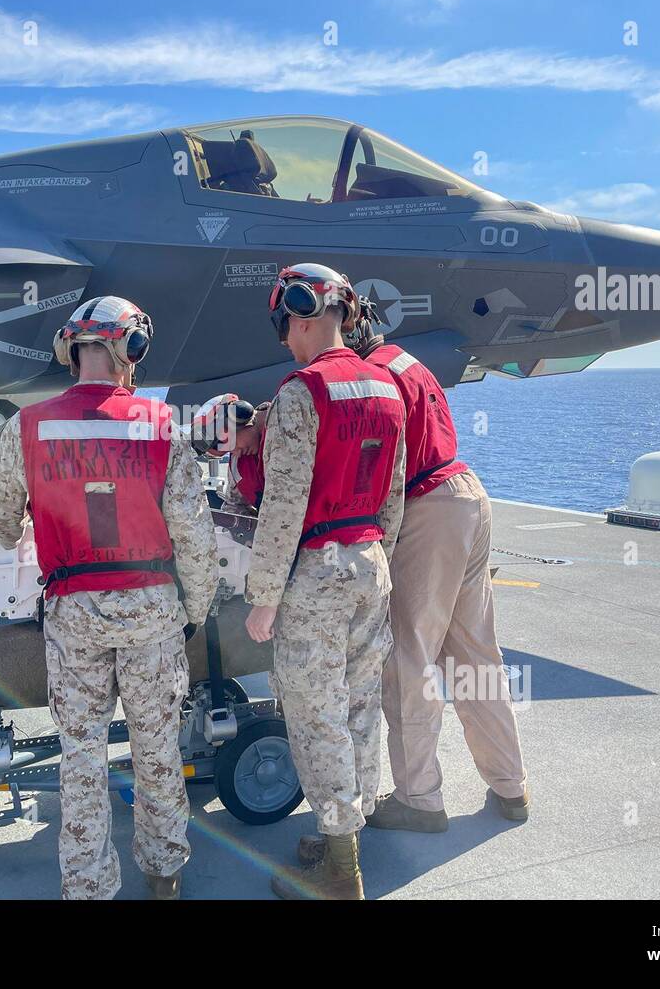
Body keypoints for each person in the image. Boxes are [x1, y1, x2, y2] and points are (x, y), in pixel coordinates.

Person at [0, 296, 217, 900]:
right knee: (157, 747)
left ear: (71, 349)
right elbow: (194, 536)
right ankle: (164, 875)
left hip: (73, 611)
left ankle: (87, 887)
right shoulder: (162, 426)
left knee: (80, 754)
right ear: (129, 350)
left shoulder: (25, 427)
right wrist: (192, 612)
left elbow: (0, 520)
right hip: (151, 607)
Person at [244, 264, 406, 900]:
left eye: (286, 325)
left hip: (316, 570)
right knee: (362, 706)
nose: (285, 339)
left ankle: (341, 872)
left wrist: (263, 598)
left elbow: (283, 505)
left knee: (316, 718)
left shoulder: (300, 393)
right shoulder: (387, 387)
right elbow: (392, 494)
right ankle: (348, 832)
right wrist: (378, 560)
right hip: (371, 561)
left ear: (303, 315)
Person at [345, 297, 528, 833]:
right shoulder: (406, 361)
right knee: (475, 657)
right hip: (467, 495)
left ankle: (420, 800)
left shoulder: (371, 377)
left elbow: (378, 467)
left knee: (410, 659)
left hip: (427, 509)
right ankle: (510, 786)